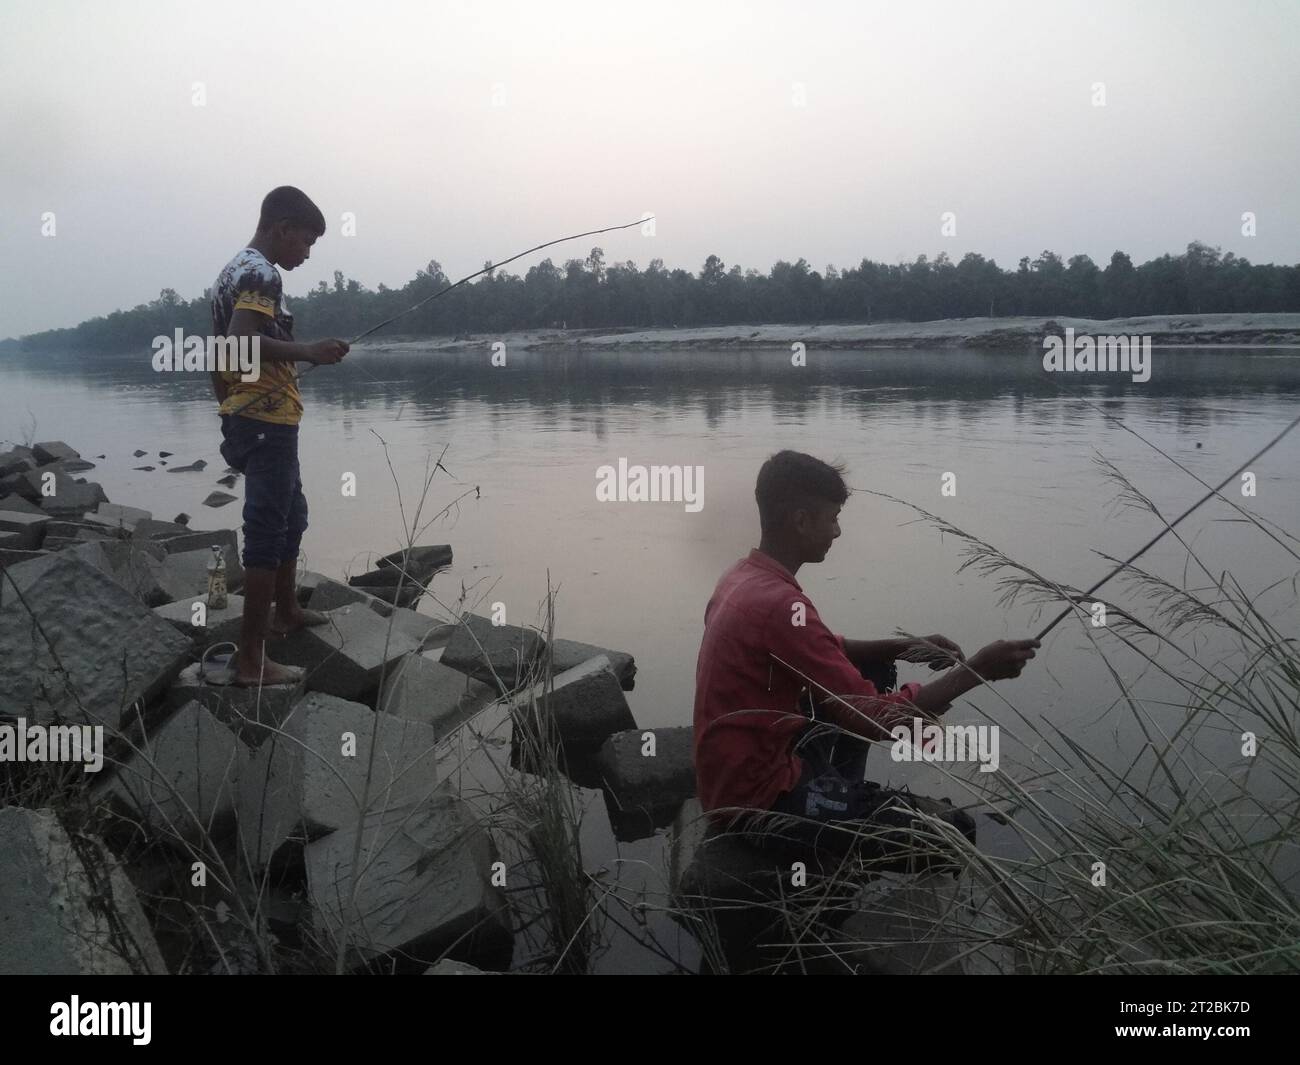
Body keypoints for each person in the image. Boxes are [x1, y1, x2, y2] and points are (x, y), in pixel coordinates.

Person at [692, 449, 1039, 860]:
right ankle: (829, 862)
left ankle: (837, 796)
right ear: (801, 520)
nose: (837, 531)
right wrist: (978, 671)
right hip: (758, 804)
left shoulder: (742, 578)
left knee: (872, 667)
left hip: (729, 777)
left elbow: (823, 649)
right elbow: (875, 720)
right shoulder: (779, 606)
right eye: (832, 517)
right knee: (950, 833)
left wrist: (904, 646)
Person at [209, 186, 351, 686]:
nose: (307, 253)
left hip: (257, 417)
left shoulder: (234, 269)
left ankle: (286, 610)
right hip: (265, 421)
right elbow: (239, 341)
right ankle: (251, 661)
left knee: (294, 514)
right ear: (281, 228)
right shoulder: (260, 272)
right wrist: (309, 350)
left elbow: (220, 353)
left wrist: (227, 416)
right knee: (267, 531)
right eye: (306, 241)